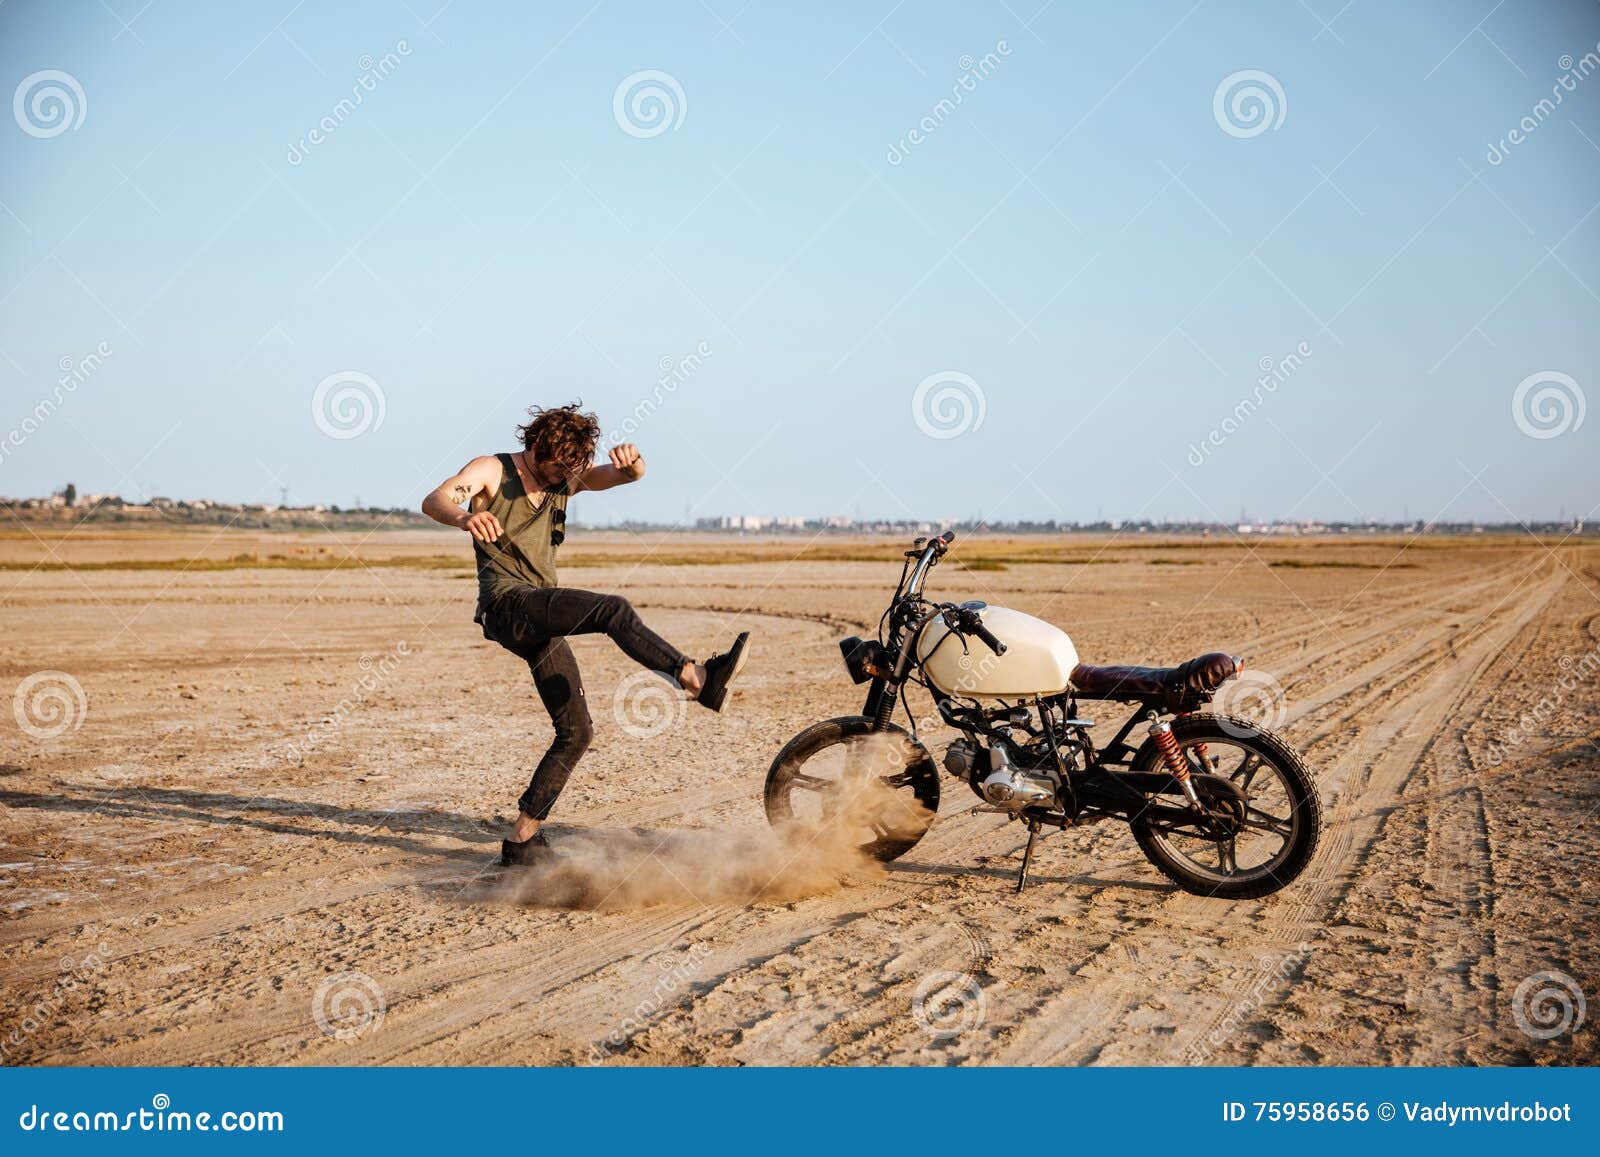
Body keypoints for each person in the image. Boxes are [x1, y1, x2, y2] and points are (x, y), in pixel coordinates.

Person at [421, 402, 749, 866]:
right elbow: (434, 499)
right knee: (612, 610)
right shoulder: (492, 470)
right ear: (535, 447)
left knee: (576, 731)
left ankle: (521, 842)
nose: (564, 479)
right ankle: (695, 676)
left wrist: (634, 465)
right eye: (557, 468)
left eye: (570, 470)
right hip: (507, 606)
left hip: (538, 615)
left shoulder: (566, 477)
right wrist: (461, 517)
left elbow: (621, 478)